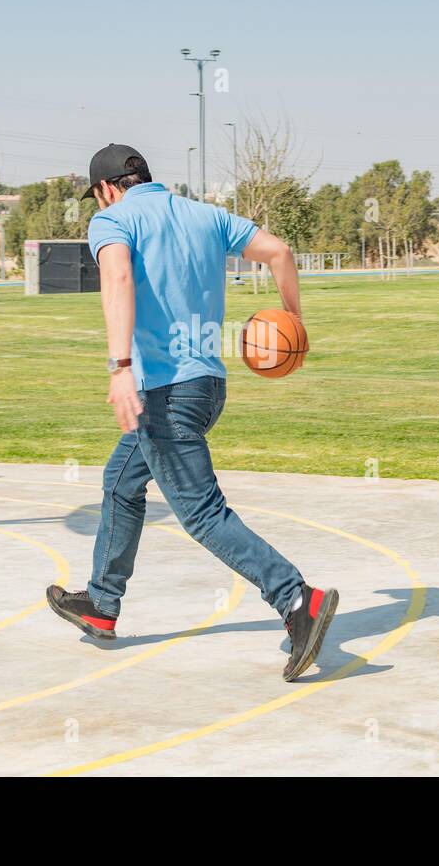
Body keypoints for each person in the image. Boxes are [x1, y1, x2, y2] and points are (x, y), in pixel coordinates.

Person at [46, 143, 338, 681]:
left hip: (163, 393)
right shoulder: (205, 214)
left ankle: (299, 600)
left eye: (96, 198)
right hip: (207, 386)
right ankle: (102, 604)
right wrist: (293, 323)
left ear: (107, 189)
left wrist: (119, 367)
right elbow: (280, 252)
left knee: (202, 514)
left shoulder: (112, 221)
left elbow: (118, 280)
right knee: (120, 482)